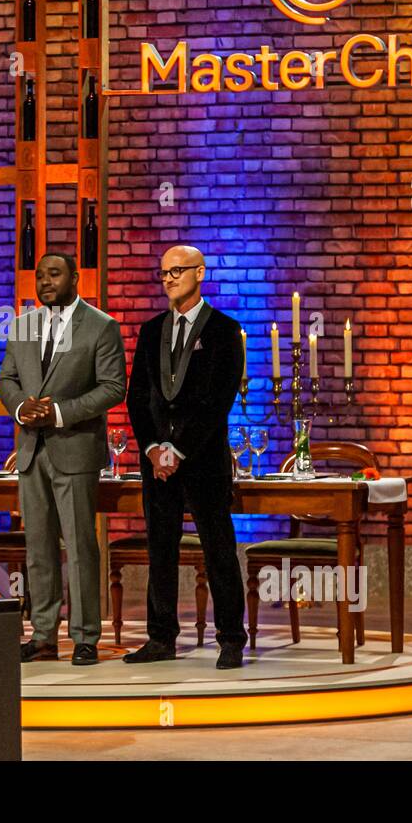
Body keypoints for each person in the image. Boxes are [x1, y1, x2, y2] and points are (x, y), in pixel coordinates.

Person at [0, 252, 126, 666]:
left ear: (75, 277)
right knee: (38, 548)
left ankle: (86, 636)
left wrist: (57, 411)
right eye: (40, 275)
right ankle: (44, 635)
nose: (45, 281)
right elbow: (7, 378)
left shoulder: (101, 326)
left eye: (54, 274)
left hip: (75, 448)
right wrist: (21, 409)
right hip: (32, 450)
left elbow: (112, 387)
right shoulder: (22, 325)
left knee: (81, 545)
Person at [124, 245, 248, 669]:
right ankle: (161, 637)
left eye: (177, 271)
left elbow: (218, 400)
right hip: (156, 462)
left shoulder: (224, 330)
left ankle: (231, 638)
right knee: (161, 549)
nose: (169, 279)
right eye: (163, 273)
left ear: (200, 273)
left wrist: (179, 447)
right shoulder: (151, 329)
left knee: (218, 548)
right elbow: (137, 396)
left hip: (203, 457)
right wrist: (154, 448)